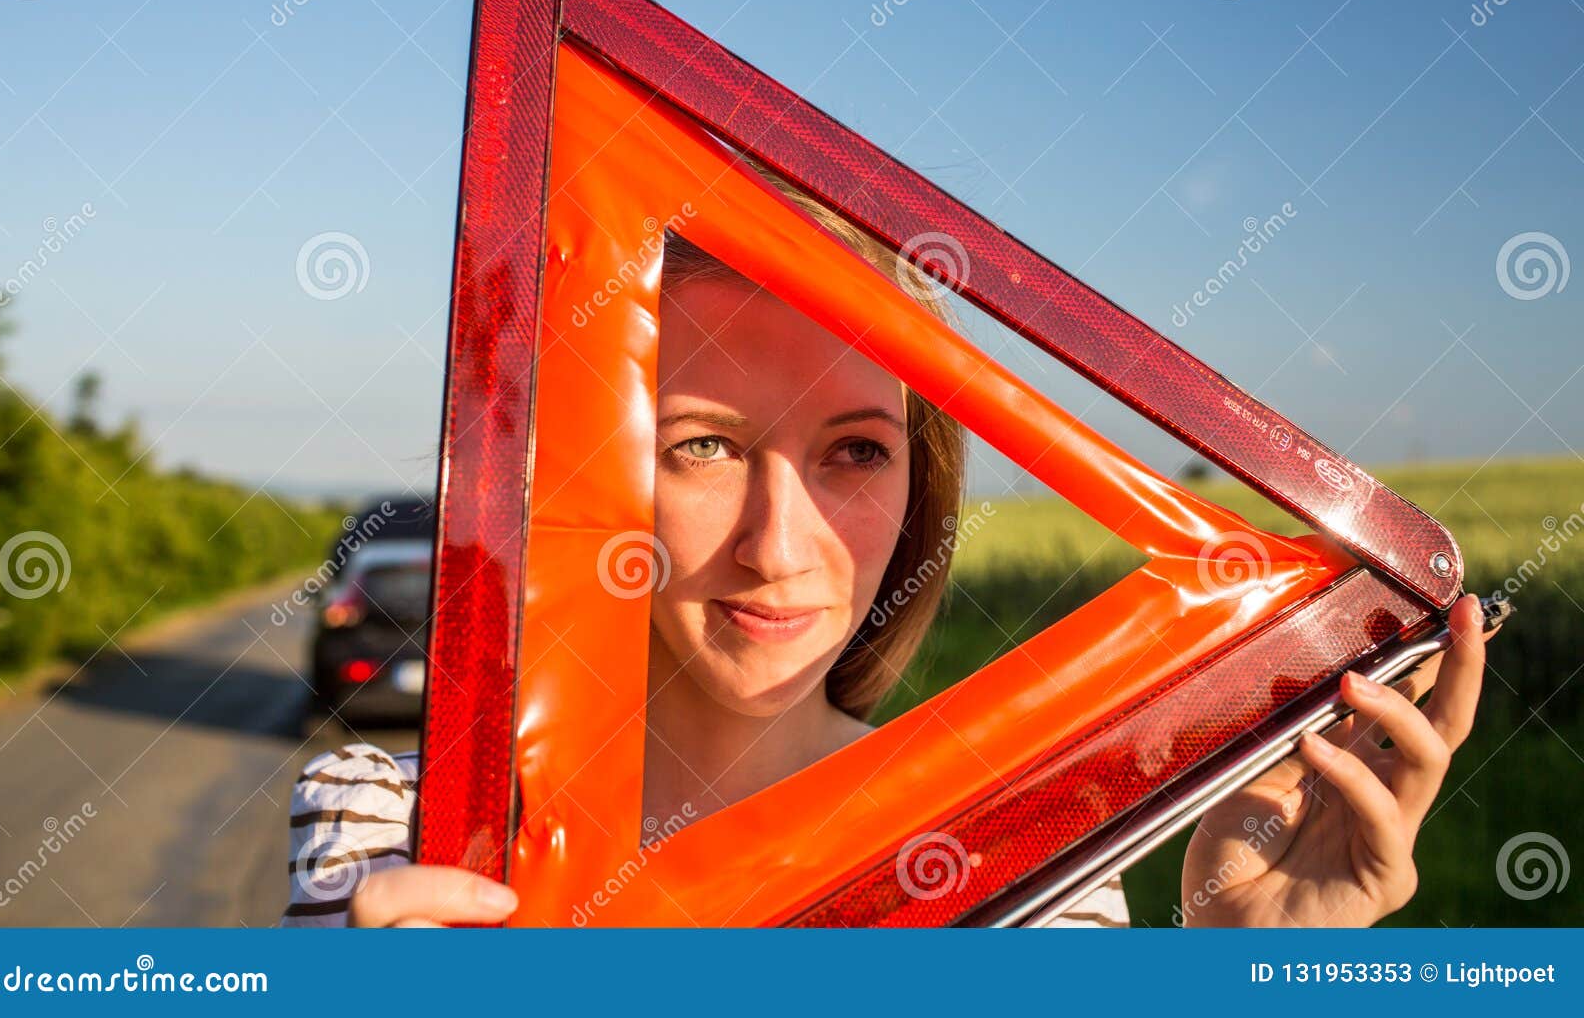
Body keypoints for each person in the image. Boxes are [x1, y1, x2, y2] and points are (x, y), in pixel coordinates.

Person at [280, 167, 1496, 929]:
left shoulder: (1029, 875)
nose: (779, 541)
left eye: (856, 451)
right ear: (597, 471)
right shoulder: (402, 830)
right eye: (702, 447)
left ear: (920, 489)